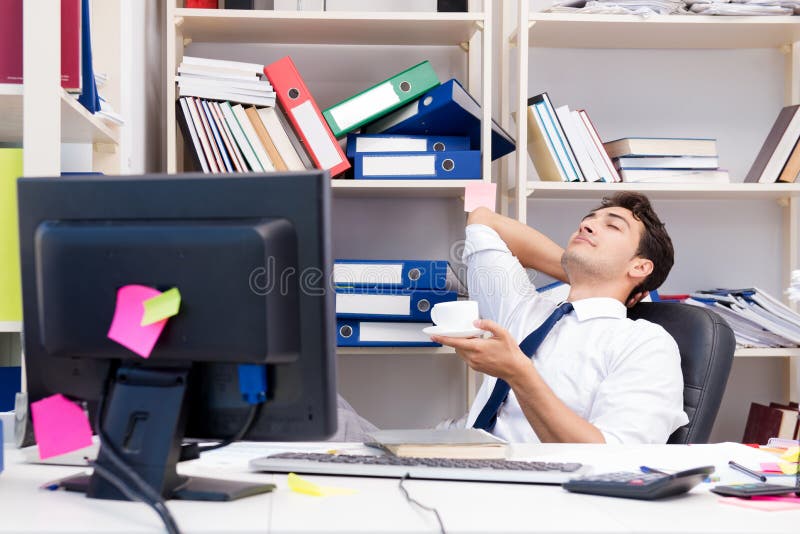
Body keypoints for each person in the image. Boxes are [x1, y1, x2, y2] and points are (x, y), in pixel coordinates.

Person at [430, 192, 689, 444]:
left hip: (535, 481)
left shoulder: (645, 343)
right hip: (455, 456)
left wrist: (519, 374)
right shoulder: (522, 308)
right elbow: (482, 221)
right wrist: (577, 269)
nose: (586, 224)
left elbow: (614, 458)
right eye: (589, 219)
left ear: (640, 267)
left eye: (612, 226)